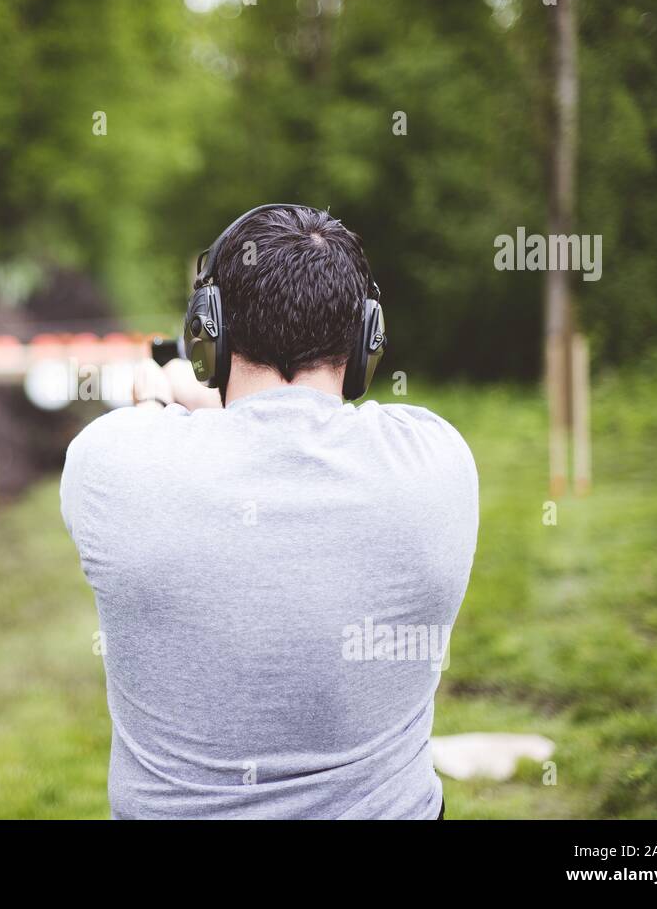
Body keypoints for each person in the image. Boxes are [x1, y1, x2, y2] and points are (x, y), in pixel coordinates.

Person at [60, 204, 478, 818]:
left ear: (211, 333)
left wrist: (169, 387)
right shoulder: (438, 460)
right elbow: (296, 426)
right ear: (367, 337)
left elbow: (205, 429)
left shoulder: (109, 462)